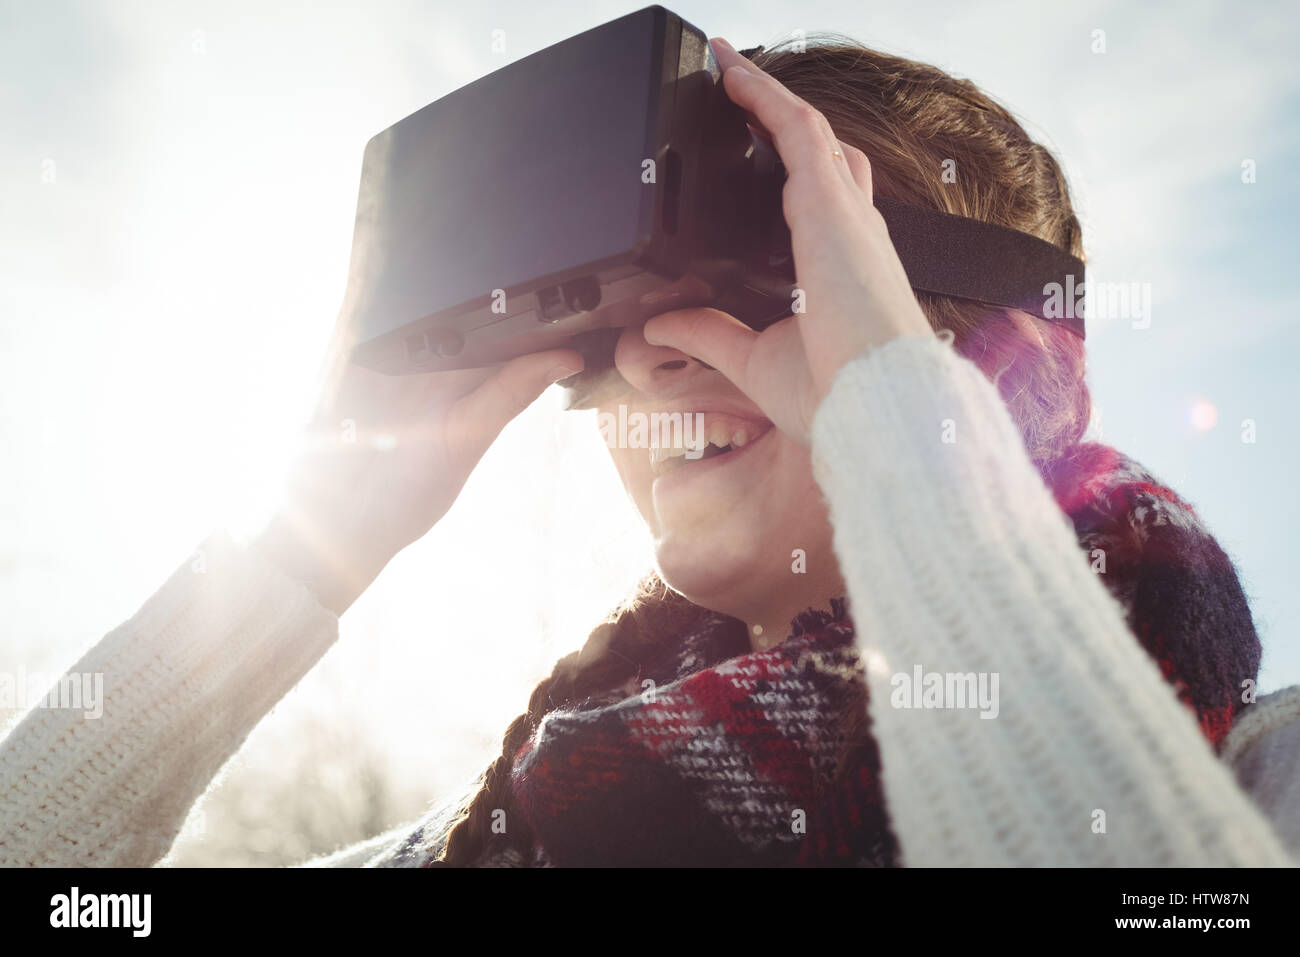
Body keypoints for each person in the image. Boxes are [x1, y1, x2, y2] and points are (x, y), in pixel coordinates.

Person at [2, 34, 1296, 868]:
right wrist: (294, 556)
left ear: (1009, 369)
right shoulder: (478, 838)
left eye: (770, 276)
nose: (659, 357)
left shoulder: (1255, 799)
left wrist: (920, 468)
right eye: (624, 310)